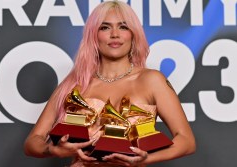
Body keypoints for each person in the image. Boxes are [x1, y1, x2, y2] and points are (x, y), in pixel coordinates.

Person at [24, 0, 196, 166]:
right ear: (93, 35)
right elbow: (32, 142)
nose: (115, 34)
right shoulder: (74, 84)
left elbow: (186, 141)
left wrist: (146, 159)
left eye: (123, 26)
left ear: (133, 34)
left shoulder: (152, 80)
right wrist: (52, 150)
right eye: (105, 27)